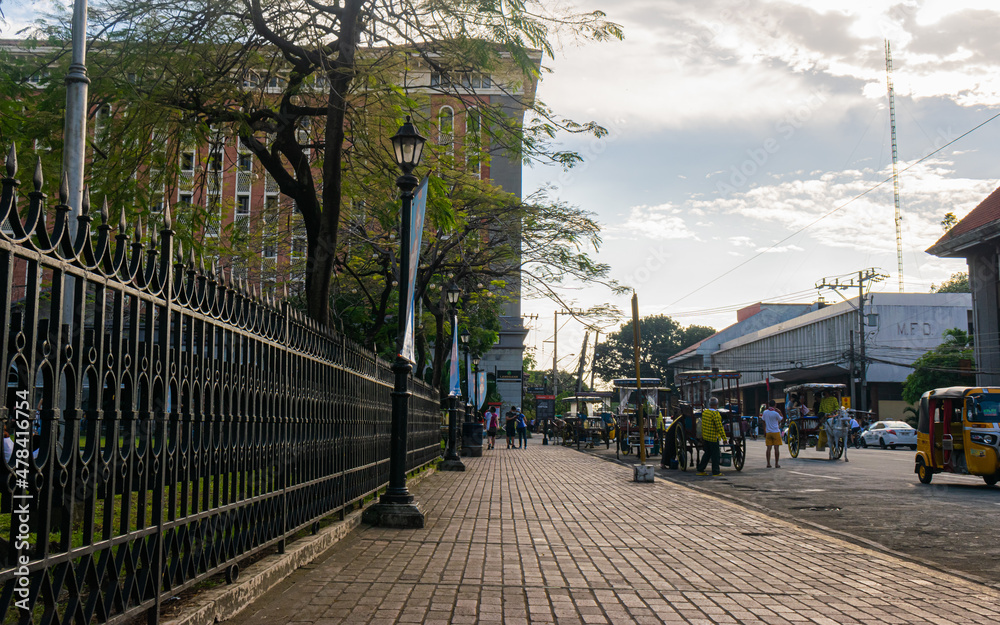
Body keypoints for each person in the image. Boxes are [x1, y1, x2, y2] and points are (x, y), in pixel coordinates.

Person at [696, 397, 727, 477]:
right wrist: (724, 438)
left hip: (706, 437)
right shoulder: (715, 414)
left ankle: (700, 469)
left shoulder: (705, 412)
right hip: (713, 437)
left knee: (707, 453)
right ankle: (716, 471)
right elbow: (719, 426)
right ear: (717, 404)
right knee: (715, 455)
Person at [761, 399, 784, 468]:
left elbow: (763, 421)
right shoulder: (776, 413)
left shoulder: (765, 412)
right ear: (775, 405)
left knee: (768, 448)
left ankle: (768, 463)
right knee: (776, 448)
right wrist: (780, 412)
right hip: (776, 432)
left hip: (768, 432)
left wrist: (765, 429)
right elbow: (781, 419)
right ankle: (776, 464)